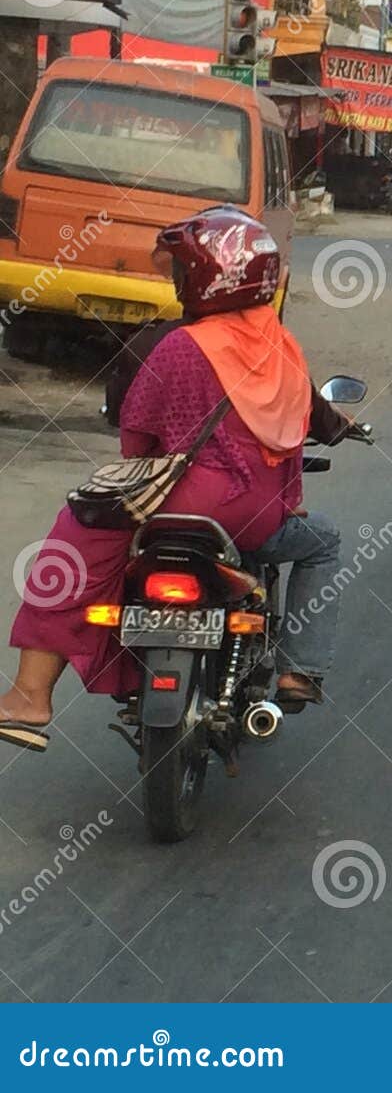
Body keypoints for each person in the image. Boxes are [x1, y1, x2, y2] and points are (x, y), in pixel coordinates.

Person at [1, 208, 353, 753]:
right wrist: (287, 502)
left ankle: (29, 698)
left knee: (68, 559)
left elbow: (137, 437)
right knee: (323, 542)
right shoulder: (283, 347)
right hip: (257, 517)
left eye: (183, 269)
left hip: (172, 508)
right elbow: (294, 435)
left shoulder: (177, 344)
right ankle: (297, 672)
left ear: (205, 278)